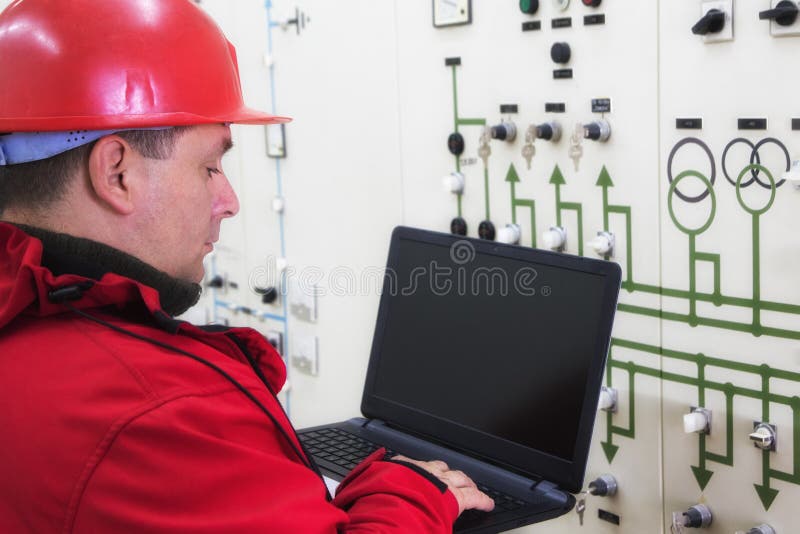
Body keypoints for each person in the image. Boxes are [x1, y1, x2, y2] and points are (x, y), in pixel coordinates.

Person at [0, 0, 493, 532]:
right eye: (210, 166)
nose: (229, 201)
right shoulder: (156, 414)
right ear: (117, 173)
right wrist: (410, 490)